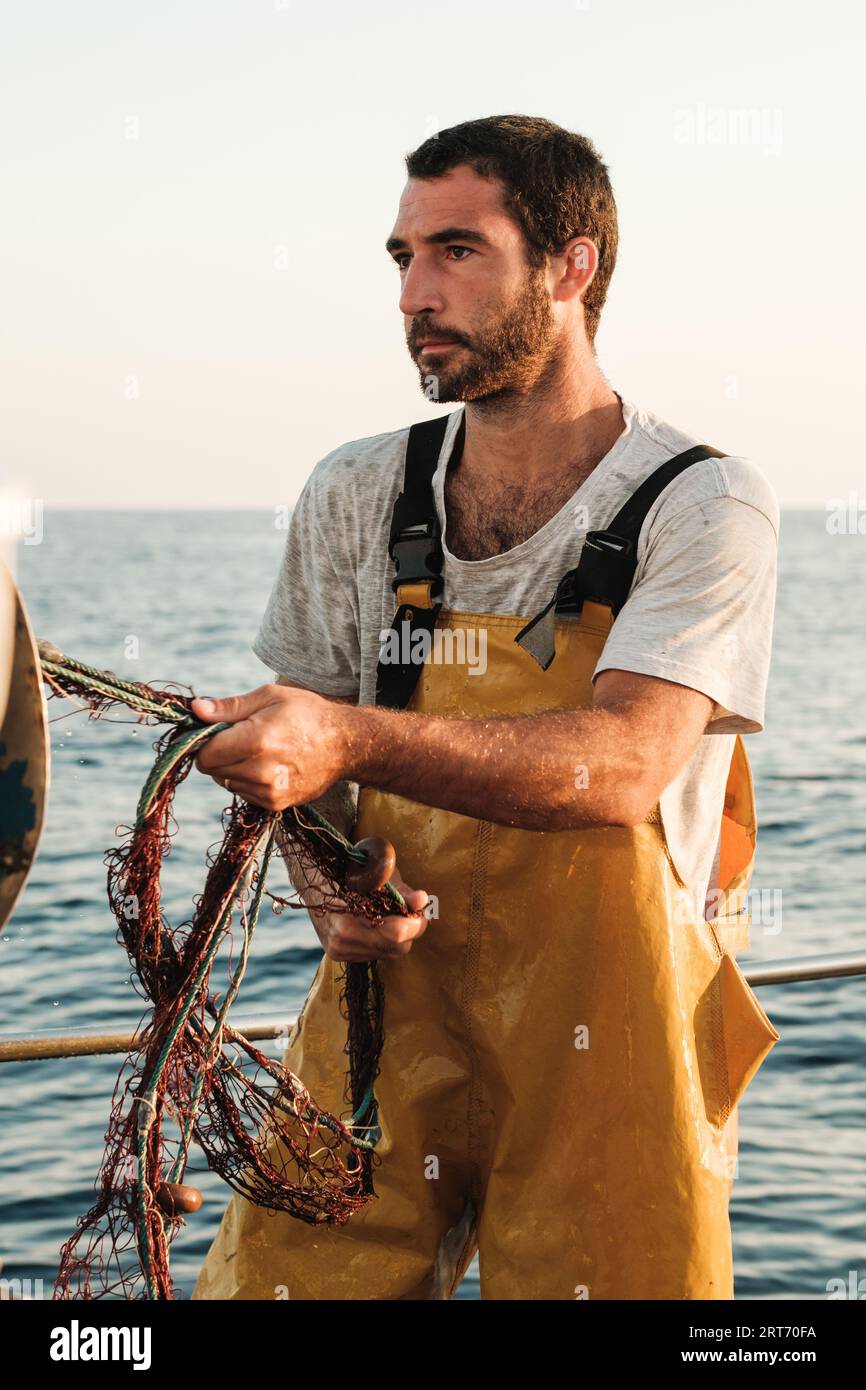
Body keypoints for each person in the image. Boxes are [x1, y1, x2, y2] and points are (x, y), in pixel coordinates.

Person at [190, 114, 780, 1301]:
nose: (415, 291)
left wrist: (348, 736)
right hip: (380, 1013)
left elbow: (623, 763)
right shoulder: (357, 489)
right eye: (402, 257)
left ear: (574, 265)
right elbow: (304, 776)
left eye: (456, 250)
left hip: (610, 1051)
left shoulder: (700, 503)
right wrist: (323, 888)